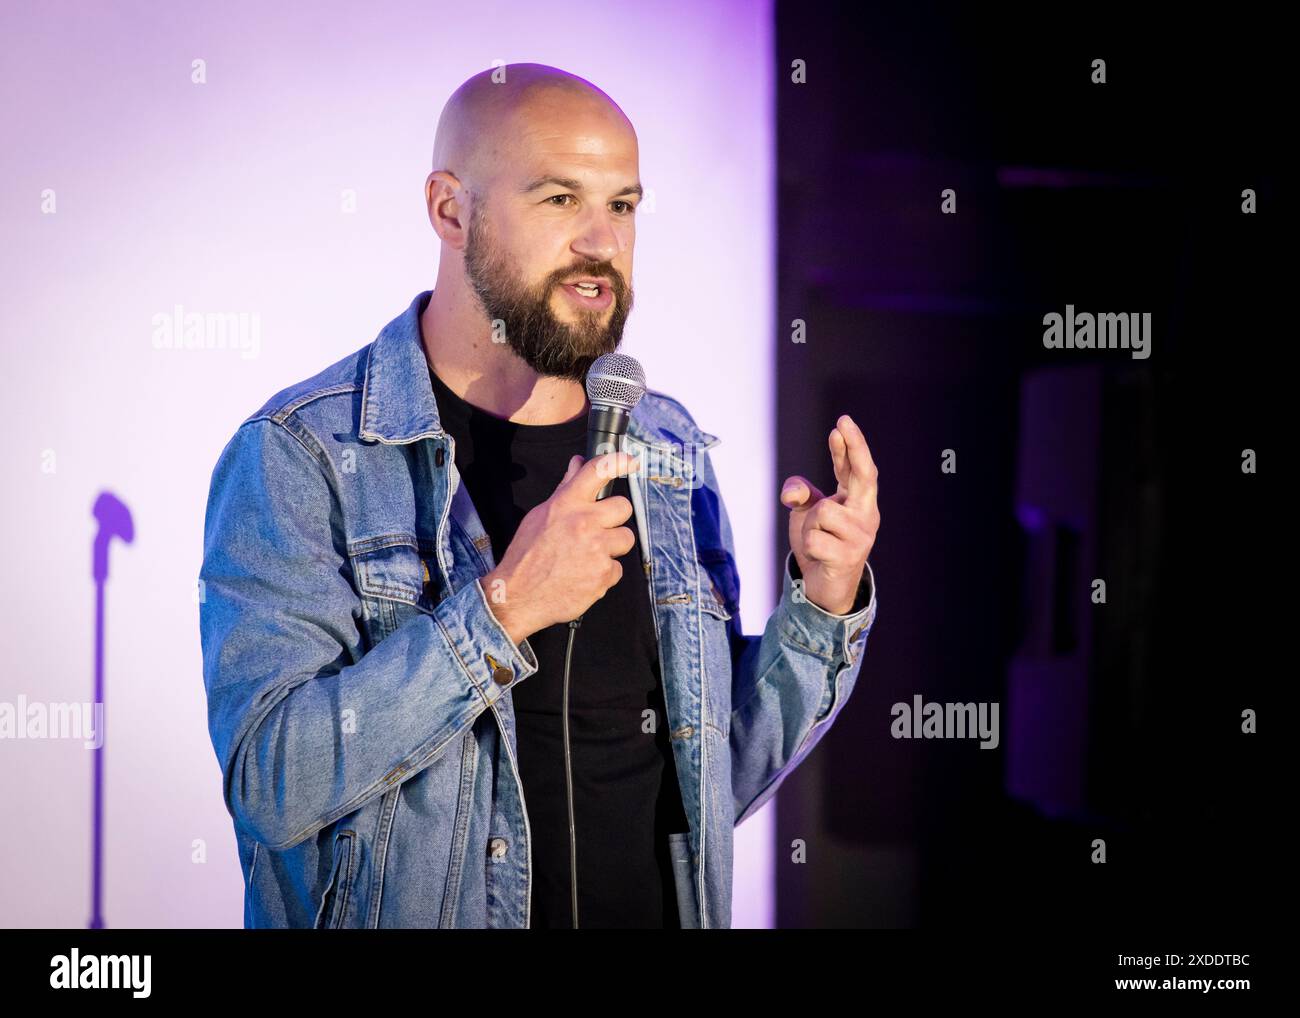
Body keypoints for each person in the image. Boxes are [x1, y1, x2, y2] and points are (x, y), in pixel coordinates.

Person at [198, 62, 881, 929]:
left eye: (622, 206)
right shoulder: (305, 455)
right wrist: (505, 608)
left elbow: (710, 779)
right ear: (450, 209)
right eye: (560, 200)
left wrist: (823, 604)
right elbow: (274, 783)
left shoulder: (665, 446)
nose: (601, 241)